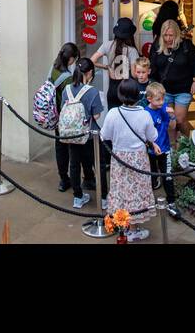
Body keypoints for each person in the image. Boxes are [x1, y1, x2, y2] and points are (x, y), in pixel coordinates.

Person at [97, 78, 158, 241]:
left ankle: (123, 223)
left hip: (119, 157)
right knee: (137, 191)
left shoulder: (113, 114)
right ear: (138, 94)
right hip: (138, 158)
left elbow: (105, 135)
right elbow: (153, 136)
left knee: (121, 189)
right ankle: (133, 228)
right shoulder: (144, 114)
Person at [60, 59, 104, 209]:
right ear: (90, 73)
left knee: (74, 165)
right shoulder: (92, 91)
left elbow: (63, 110)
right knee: (99, 165)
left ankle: (78, 197)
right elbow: (97, 115)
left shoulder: (66, 89)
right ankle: (103, 197)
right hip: (90, 135)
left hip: (71, 135)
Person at [149, 19, 195, 138]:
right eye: (165, 35)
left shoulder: (186, 45)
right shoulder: (157, 45)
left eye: (171, 35)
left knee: (180, 120)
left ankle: (187, 144)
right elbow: (153, 66)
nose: (168, 38)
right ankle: (172, 150)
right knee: (169, 122)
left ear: (177, 34)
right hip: (164, 90)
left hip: (183, 88)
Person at [46, 42, 79, 192]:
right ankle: (70, 179)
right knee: (70, 150)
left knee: (60, 148)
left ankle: (63, 178)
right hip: (64, 117)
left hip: (54, 115)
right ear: (70, 58)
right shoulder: (67, 78)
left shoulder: (53, 68)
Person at [92, 17, 141, 109]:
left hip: (112, 90)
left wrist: (107, 67)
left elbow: (92, 61)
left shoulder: (107, 45)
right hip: (126, 90)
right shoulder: (132, 50)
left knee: (113, 119)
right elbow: (134, 75)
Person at [142, 81, 176, 204]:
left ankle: (171, 202)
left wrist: (172, 116)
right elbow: (144, 134)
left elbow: (172, 127)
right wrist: (151, 145)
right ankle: (148, 201)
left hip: (165, 148)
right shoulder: (145, 113)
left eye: (162, 99)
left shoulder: (164, 108)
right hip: (150, 150)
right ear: (149, 99)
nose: (161, 102)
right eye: (158, 100)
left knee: (168, 176)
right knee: (150, 175)